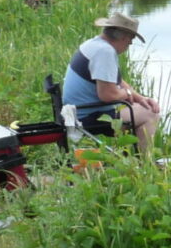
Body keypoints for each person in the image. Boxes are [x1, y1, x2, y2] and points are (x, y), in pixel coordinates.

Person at [61, 12, 160, 153]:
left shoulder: (95, 44)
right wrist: (126, 93)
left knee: (144, 107)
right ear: (123, 36)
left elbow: (116, 81)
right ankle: (145, 165)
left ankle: (134, 159)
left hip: (78, 110)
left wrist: (140, 98)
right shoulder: (105, 52)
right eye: (131, 39)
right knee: (151, 114)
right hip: (86, 116)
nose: (130, 43)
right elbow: (107, 95)